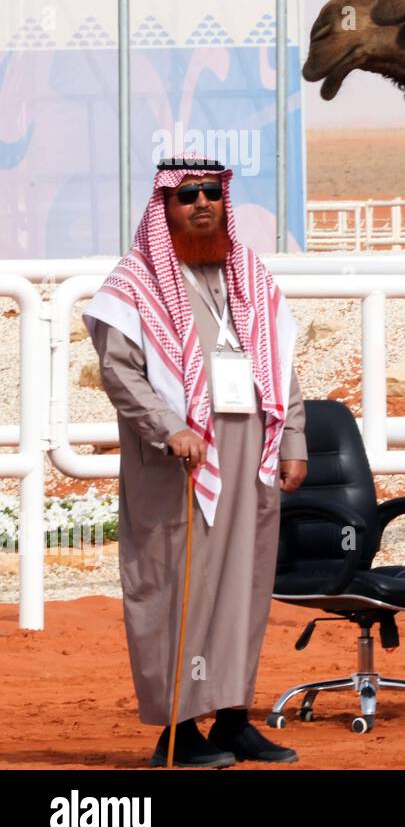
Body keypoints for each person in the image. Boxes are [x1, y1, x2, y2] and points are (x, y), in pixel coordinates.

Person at [85, 156, 308, 767]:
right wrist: (170, 427)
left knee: (242, 583)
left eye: (212, 192)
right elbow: (120, 373)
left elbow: (281, 365)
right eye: (188, 196)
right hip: (179, 461)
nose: (202, 203)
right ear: (165, 206)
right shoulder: (136, 283)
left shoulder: (248, 277)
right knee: (177, 588)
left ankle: (233, 718)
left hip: (252, 455)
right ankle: (179, 732)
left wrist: (292, 438)